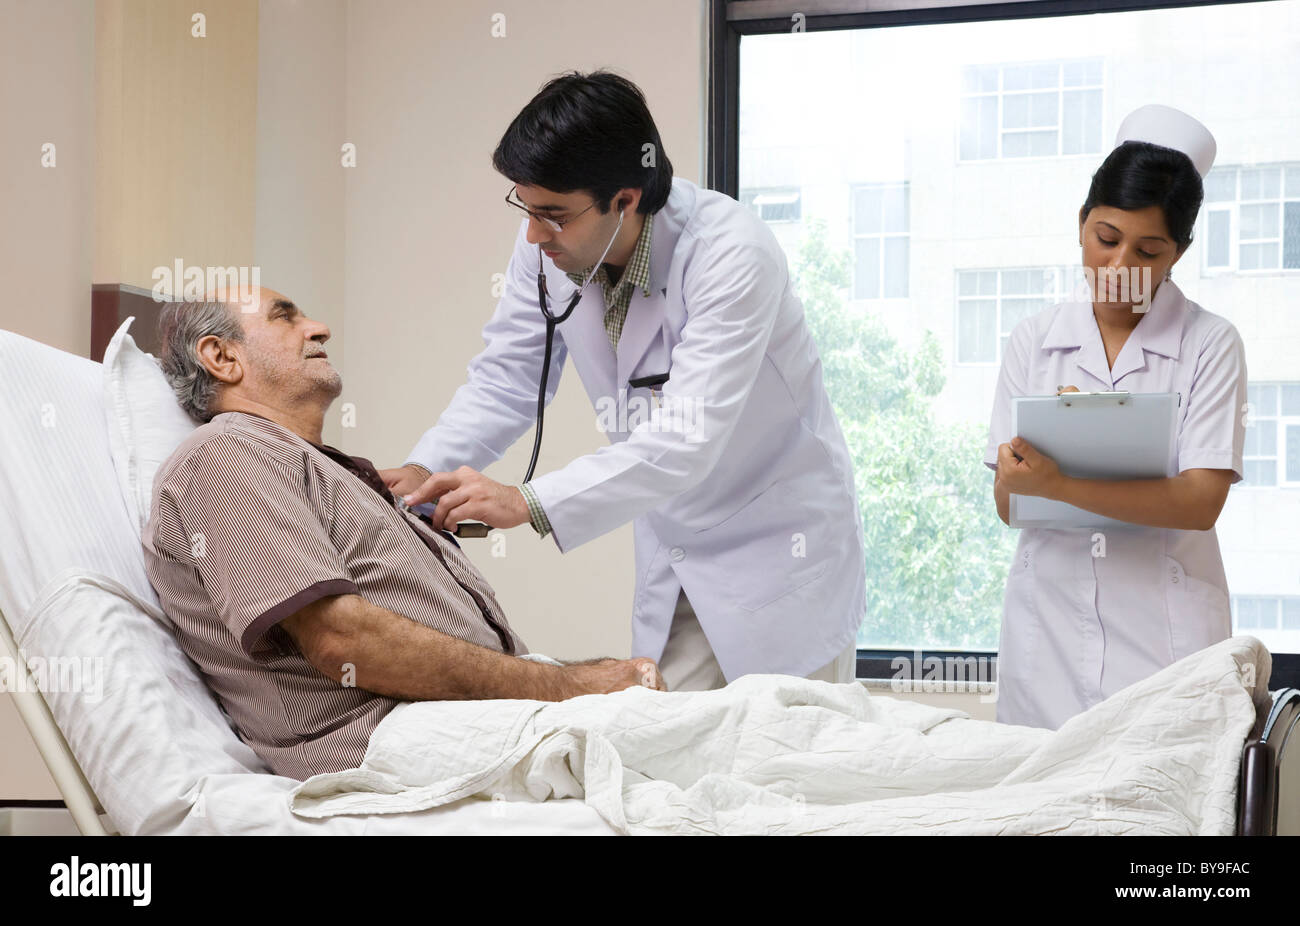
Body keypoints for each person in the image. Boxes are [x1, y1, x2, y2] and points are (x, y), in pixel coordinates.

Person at [380, 71, 866, 691]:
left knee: (784, 764)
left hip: (777, 553)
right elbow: (507, 376)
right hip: (674, 546)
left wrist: (527, 502)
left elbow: (684, 439)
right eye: (526, 209)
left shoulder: (732, 253)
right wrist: (428, 467)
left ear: (626, 199)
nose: (533, 233)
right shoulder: (548, 242)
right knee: (672, 755)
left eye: (552, 214)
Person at [143, 288, 663, 780]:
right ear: (221, 357)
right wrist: (568, 688)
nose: (319, 329)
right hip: (391, 738)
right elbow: (342, 642)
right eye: (286, 315)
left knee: (686, 715)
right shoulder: (225, 456)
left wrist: (582, 681)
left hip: (462, 723)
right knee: (732, 728)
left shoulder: (318, 470)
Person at [986, 104, 1248, 730]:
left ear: (1178, 253)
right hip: (1046, 634)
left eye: (1148, 250)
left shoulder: (1211, 344)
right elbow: (1007, 501)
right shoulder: (1035, 339)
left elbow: (1198, 501)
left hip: (1164, 643)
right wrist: (1021, 480)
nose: (1119, 265)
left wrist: (1060, 485)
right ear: (1081, 223)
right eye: (1106, 239)